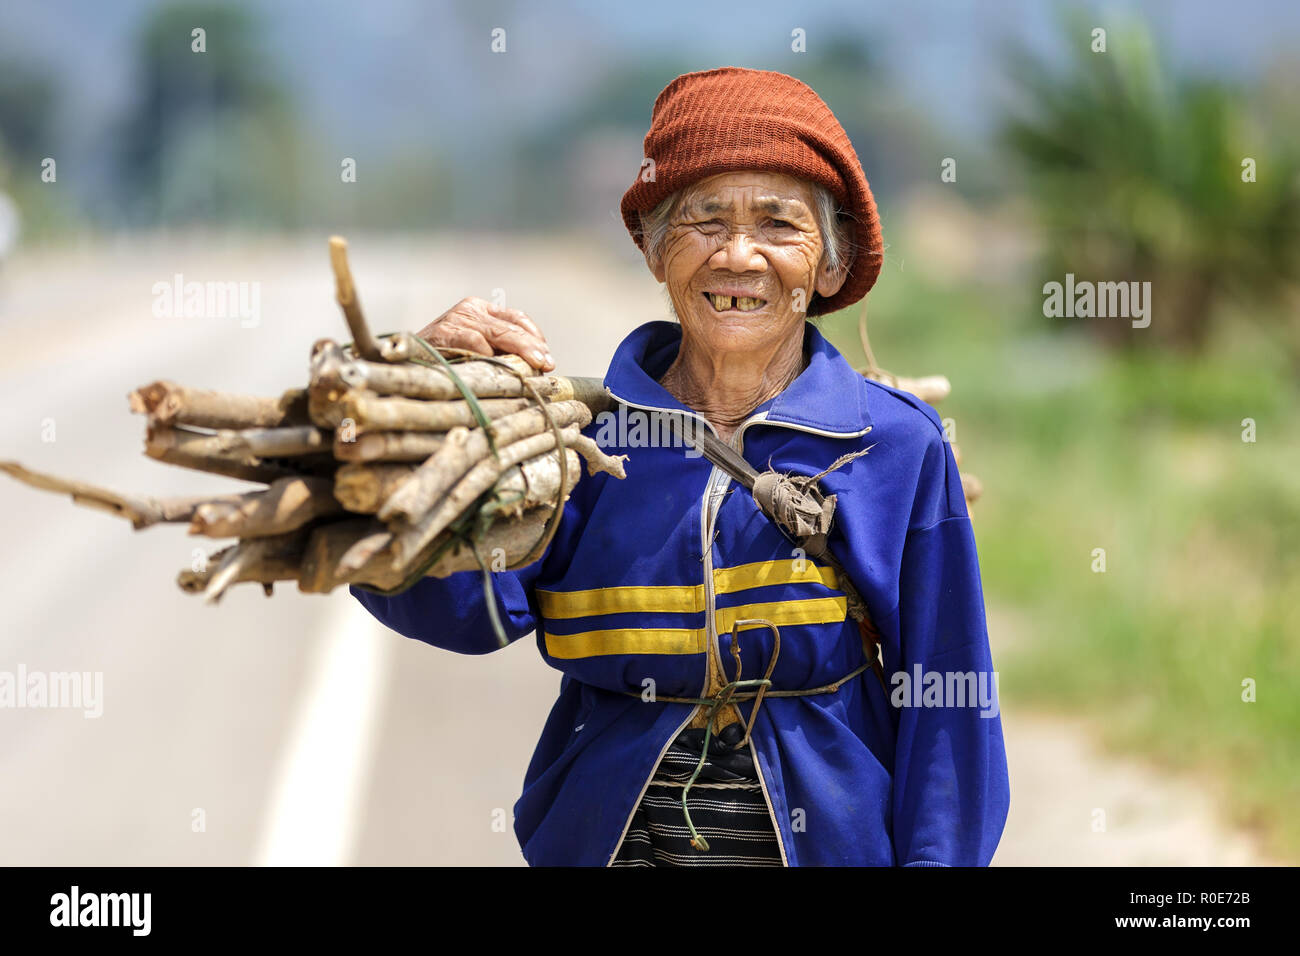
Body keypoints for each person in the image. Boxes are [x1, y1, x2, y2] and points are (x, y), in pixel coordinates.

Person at [352, 66, 1009, 866]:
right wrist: (418, 404)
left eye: (778, 224)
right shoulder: (581, 444)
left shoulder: (895, 450)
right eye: (704, 220)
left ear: (828, 269)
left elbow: (951, 709)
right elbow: (461, 610)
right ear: (656, 250)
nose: (739, 255)